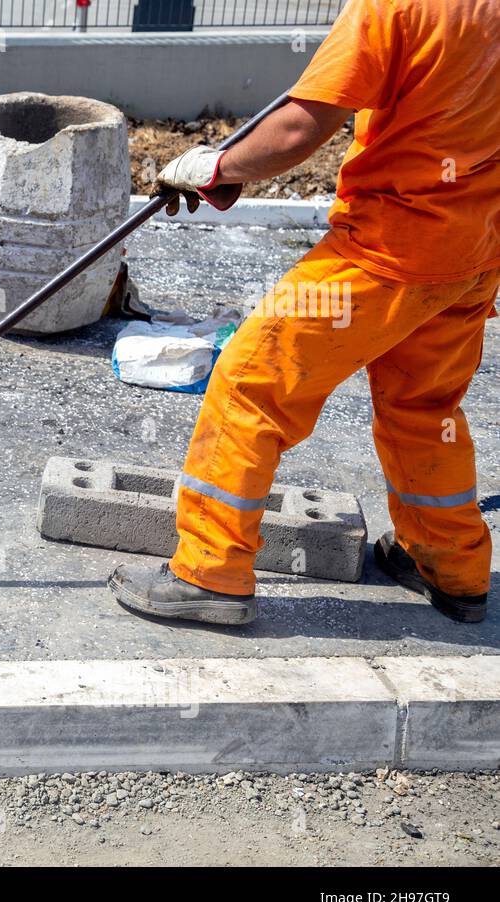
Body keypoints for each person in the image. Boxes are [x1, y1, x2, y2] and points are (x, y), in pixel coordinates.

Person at [108, 0, 500, 626]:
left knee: (247, 387)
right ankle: (450, 563)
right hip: (471, 254)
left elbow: (298, 129)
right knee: (424, 410)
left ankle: (210, 575)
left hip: (383, 253)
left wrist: (215, 165)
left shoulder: (396, 7)